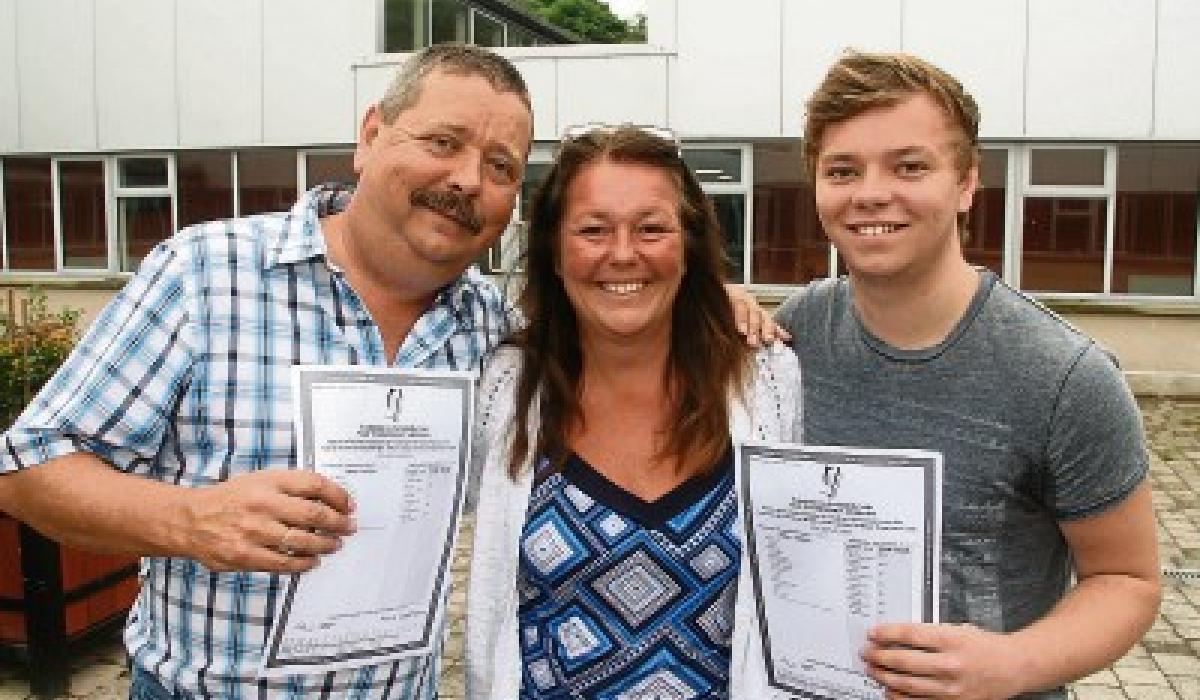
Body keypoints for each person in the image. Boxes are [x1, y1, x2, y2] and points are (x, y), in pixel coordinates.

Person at [0, 44, 779, 699]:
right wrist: (190, 520)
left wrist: (710, 296)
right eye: (443, 142)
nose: (468, 179)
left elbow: (615, 307)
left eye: (500, 164)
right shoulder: (206, 273)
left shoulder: (497, 341)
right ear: (371, 135)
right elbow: (28, 469)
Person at [775, 50, 1161, 700]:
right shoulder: (797, 330)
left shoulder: (1065, 376)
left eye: (910, 166)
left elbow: (1128, 581)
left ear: (966, 182)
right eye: (843, 169)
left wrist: (1011, 664)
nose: (871, 192)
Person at [465, 125, 801, 699]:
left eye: (651, 229)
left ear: (688, 246)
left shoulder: (767, 381)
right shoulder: (500, 387)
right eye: (593, 230)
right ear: (553, 251)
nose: (623, 254)